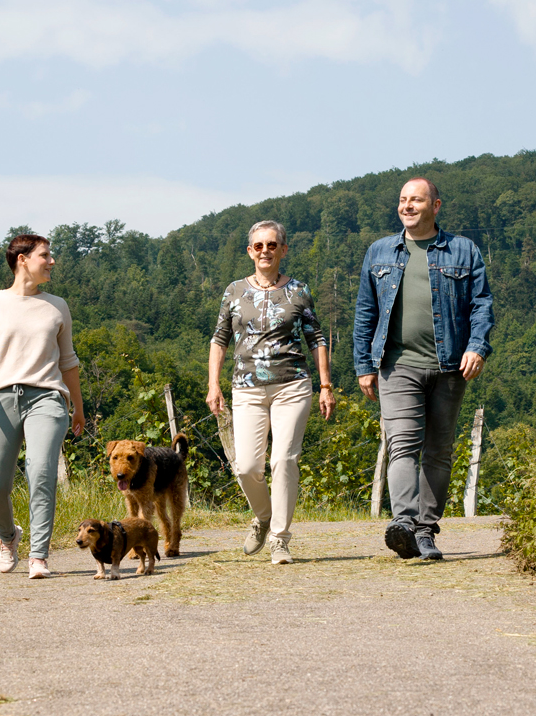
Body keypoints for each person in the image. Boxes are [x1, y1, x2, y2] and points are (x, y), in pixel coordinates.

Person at [352, 178, 492, 561]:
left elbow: (481, 305)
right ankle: (404, 524)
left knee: (439, 452)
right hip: (397, 366)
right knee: (402, 444)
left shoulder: (463, 250)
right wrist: (364, 364)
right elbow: (366, 311)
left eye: (416, 199)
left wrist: (477, 347)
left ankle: (426, 531)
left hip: (451, 368)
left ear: (436, 205)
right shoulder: (380, 252)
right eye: (402, 200)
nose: (408, 205)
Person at [206, 220, 334, 565]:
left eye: (272, 245)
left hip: (292, 385)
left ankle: (280, 538)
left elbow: (317, 339)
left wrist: (325, 385)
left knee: (283, 460)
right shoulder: (233, 292)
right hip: (246, 388)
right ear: (250, 251)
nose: (266, 251)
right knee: (247, 465)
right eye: (259, 245)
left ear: (283, 250)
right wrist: (213, 384)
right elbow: (219, 340)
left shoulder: (298, 291)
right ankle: (263, 516)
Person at [0, 233, 87, 580]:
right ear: (22, 260)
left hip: (47, 397)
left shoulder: (57, 305)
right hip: (0, 398)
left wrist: (77, 406)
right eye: (45, 255)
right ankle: (8, 536)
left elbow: (68, 361)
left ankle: (38, 556)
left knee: (41, 471)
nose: (52, 261)